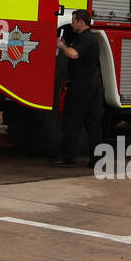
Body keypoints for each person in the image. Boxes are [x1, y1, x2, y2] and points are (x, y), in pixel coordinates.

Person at [50, 9, 104, 167]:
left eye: (73, 21)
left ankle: (67, 157)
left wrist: (61, 46)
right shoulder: (91, 38)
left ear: (81, 22)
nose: (72, 24)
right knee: (93, 123)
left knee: (71, 121)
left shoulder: (85, 39)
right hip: (93, 84)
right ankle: (97, 160)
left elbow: (73, 54)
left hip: (81, 84)